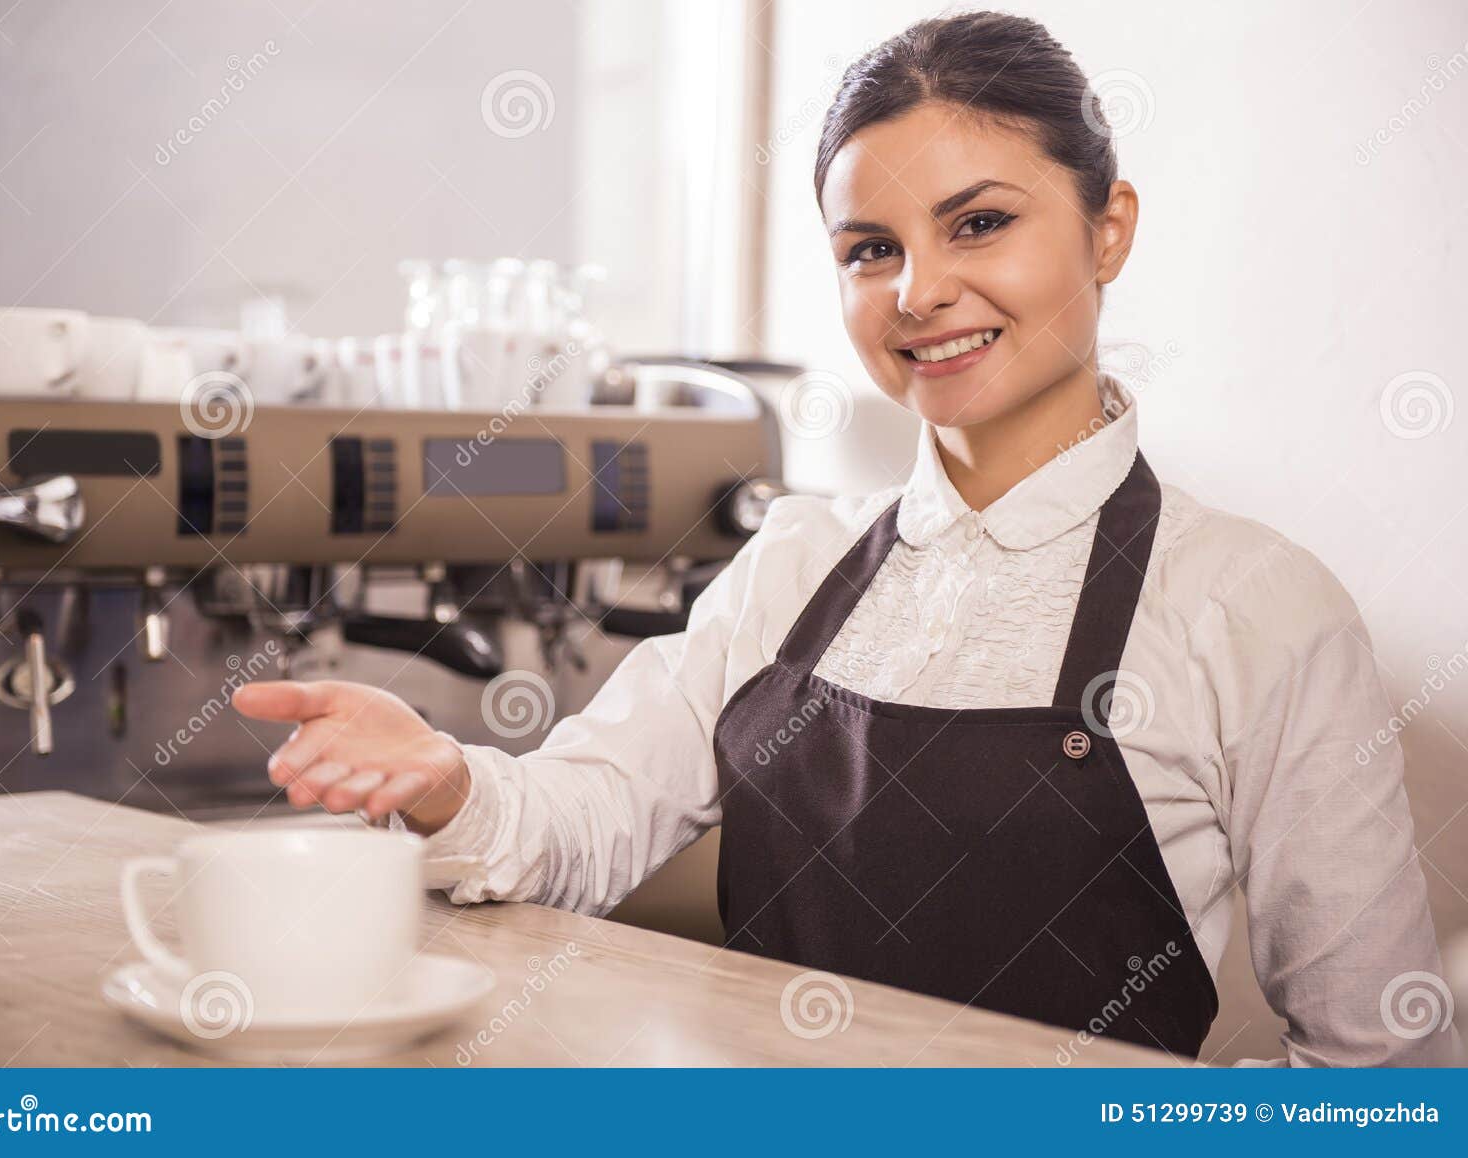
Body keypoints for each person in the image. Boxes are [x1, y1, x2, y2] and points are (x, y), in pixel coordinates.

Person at [233, 11, 1463, 1066]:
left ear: (1107, 229)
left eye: (977, 224)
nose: (917, 291)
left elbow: (1381, 1073)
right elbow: (584, 821)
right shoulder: (796, 560)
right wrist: (447, 780)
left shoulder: (1255, 605)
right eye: (870, 250)